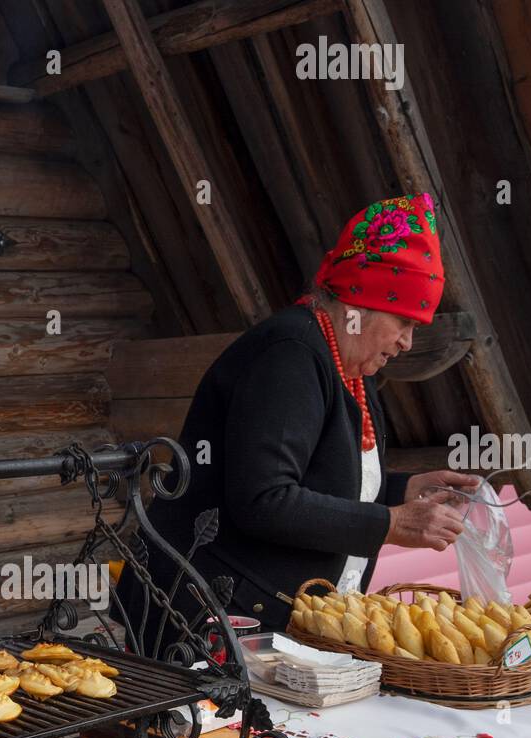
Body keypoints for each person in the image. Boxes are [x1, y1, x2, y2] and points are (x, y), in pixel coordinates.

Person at [115, 192, 479, 654]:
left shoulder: (343, 363)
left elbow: (314, 479)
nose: (407, 342)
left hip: (254, 616)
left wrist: (399, 491)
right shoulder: (291, 354)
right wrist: (390, 523)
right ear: (358, 304)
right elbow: (264, 500)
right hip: (203, 617)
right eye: (403, 322)